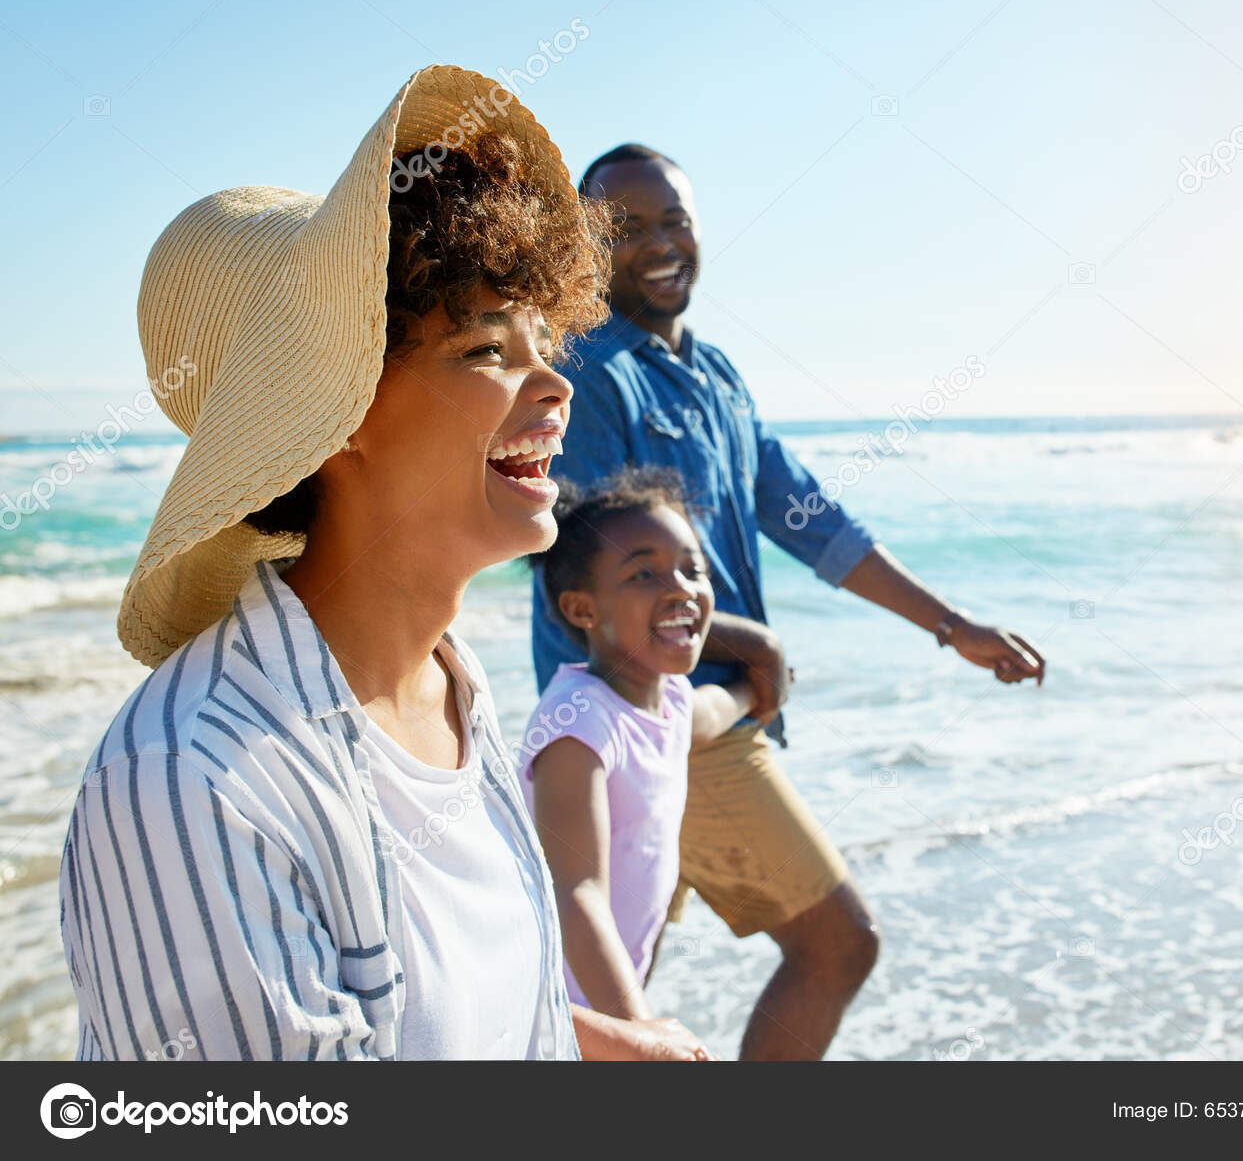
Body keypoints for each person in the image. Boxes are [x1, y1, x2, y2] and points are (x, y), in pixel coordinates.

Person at [56, 66, 705, 1061]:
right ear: (335, 416)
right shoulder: (193, 778)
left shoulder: (451, 690)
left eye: (545, 342)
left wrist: (598, 1045)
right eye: (488, 351)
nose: (553, 386)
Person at [533, 142, 1048, 1059]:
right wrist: (757, 645)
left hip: (713, 711)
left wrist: (948, 624)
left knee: (613, 985)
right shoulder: (591, 376)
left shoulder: (720, 376)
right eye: (629, 226)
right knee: (837, 942)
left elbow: (810, 517)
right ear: (587, 246)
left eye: (676, 220)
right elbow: (594, 577)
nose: (661, 242)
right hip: (658, 721)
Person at [520, 467, 750, 1033]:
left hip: (608, 991)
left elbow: (708, 715)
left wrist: (754, 689)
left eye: (693, 568)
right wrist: (638, 1031)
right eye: (645, 573)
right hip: (556, 1011)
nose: (682, 587)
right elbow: (577, 894)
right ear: (582, 610)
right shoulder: (579, 725)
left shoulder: (666, 697)